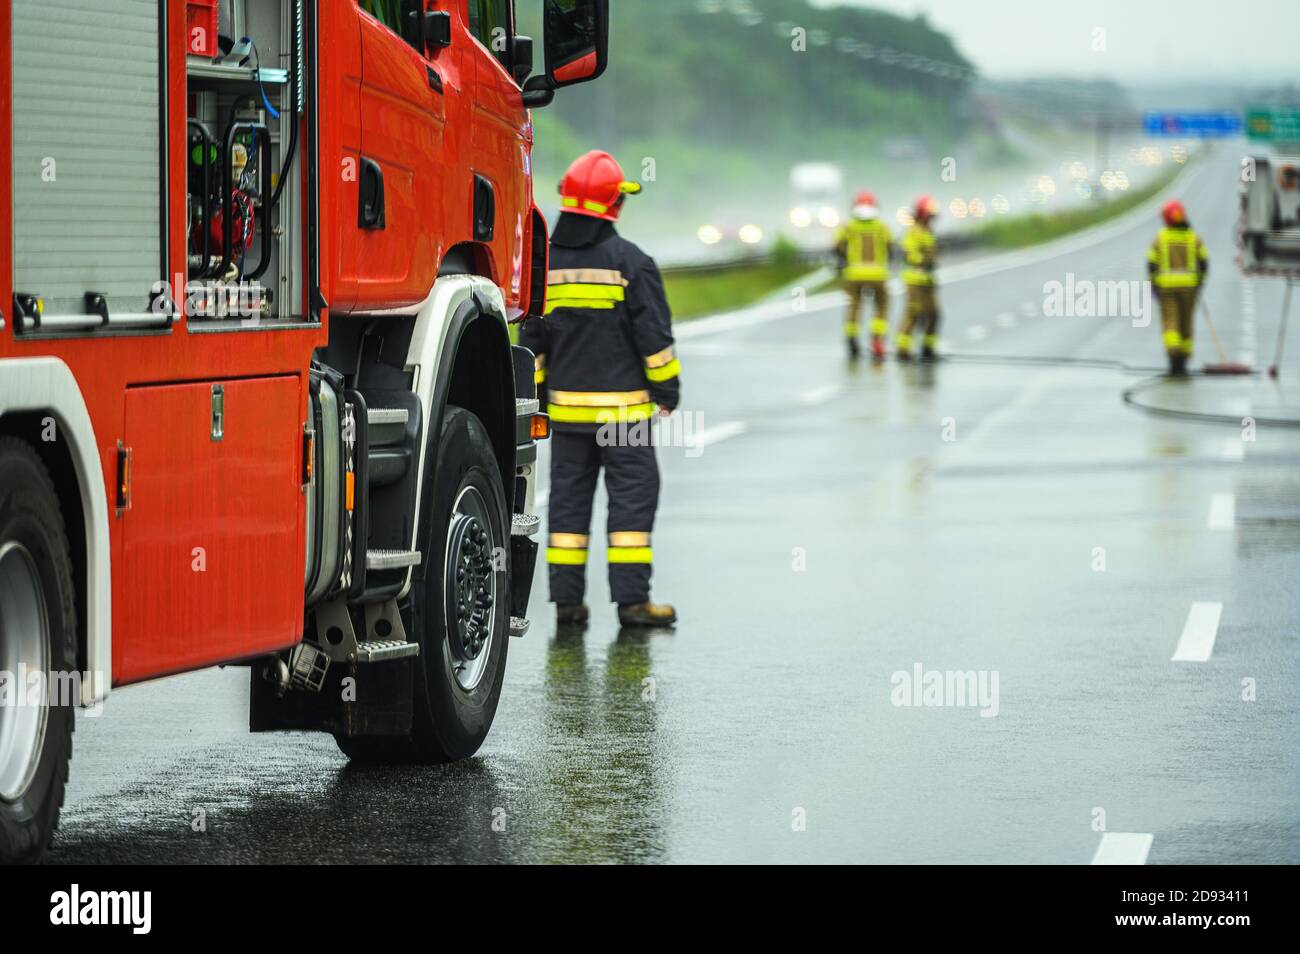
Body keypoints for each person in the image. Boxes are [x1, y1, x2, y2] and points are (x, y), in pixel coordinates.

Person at [519, 151, 680, 629]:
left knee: (568, 505)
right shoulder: (632, 263)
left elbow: (533, 344)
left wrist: (539, 398)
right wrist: (667, 391)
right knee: (631, 504)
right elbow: (655, 340)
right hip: (625, 421)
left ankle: (567, 606)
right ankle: (632, 605)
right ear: (613, 206)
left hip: (568, 420)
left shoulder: (543, 268)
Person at [1147, 199, 1208, 376]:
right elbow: (1203, 261)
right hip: (1189, 287)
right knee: (1186, 323)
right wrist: (1200, 281)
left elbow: (1151, 263)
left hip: (1166, 289)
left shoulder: (1160, 238)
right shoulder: (1193, 237)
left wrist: (1153, 283)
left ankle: (1173, 357)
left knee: (1170, 323)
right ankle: (1184, 359)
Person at [834, 190, 893, 360]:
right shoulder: (881, 226)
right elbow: (890, 248)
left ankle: (852, 339)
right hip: (878, 275)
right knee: (881, 306)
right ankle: (877, 339)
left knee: (854, 307)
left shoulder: (849, 226)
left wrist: (843, 261)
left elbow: (837, 247)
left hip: (854, 274)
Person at [896, 195, 941, 361]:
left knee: (934, 315)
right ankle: (902, 349)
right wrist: (923, 260)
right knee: (913, 314)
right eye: (929, 216)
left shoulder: (928, 232)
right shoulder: (913, 231)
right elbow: (909, 252)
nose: (932, 219)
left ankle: (928, 348)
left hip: (928, 281)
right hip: (914, 281)